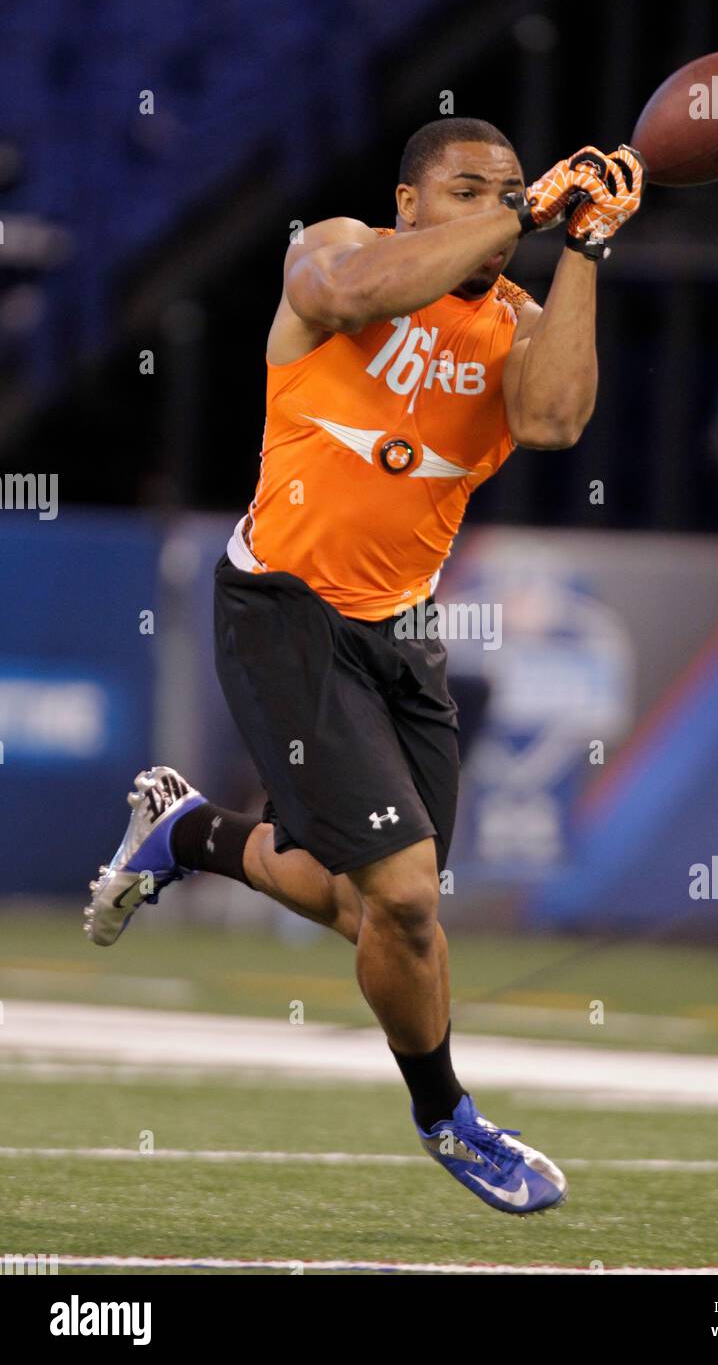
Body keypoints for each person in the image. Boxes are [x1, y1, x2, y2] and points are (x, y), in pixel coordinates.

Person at [84, 118, 643, 1214]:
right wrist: (522, 213)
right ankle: (449, 1118)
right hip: (281, 606)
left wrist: (583, 250)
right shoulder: (332, 247)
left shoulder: (517, 321)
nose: (501, 204)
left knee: (372, 908)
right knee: (400, 896)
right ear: (408, 203)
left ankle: (186, 831)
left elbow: (551, 420)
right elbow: (346, 299)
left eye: (515, 189)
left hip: (399, 630)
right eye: (471, 189)